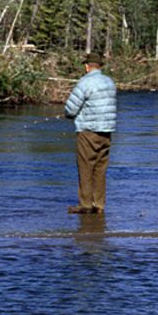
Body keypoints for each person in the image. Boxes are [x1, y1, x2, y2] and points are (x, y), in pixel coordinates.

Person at [63, 51, 117, 214]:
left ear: (87, 66)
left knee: (86, 167)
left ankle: (85, 205)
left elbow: (71, 110)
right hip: (106, 132)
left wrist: (67, 114)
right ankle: (98, 205)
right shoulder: (110, 82)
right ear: (100, 66)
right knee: (100, 169)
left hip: (88, 131)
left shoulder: (84, 83)